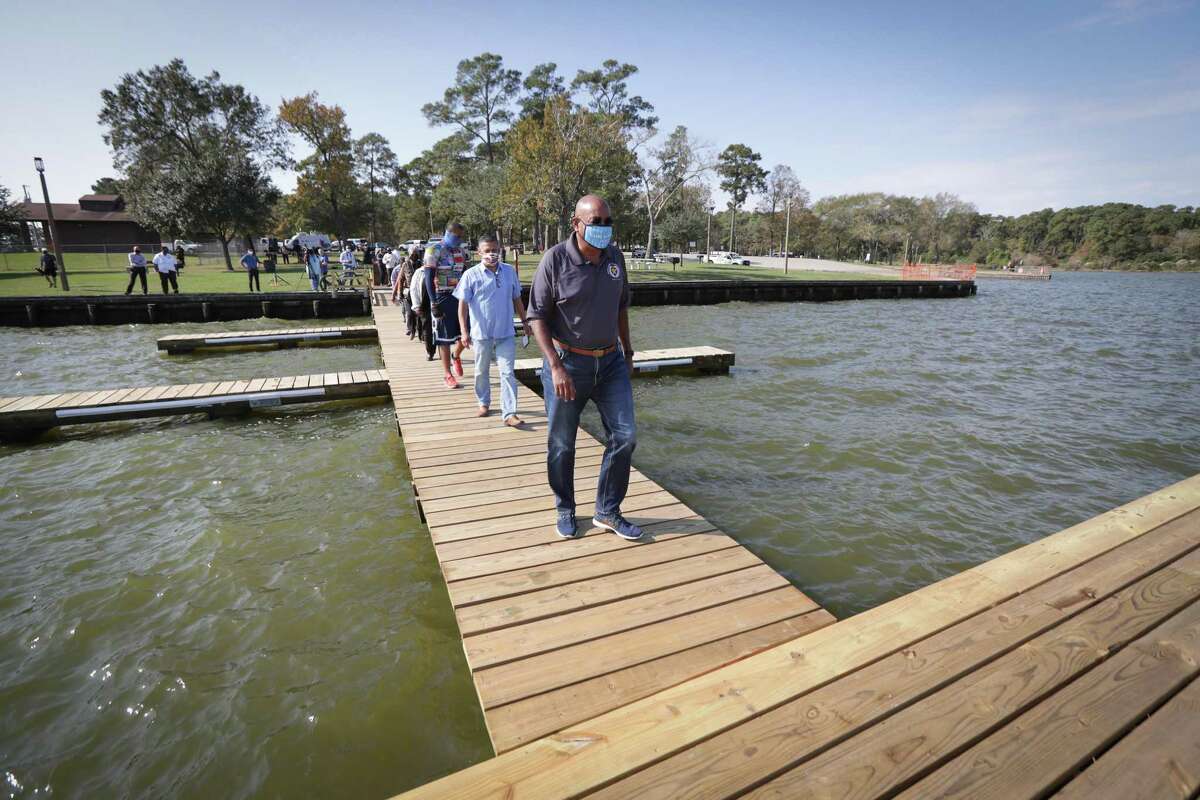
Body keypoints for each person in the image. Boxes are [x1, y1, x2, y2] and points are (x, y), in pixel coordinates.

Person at [526, 194, 641, 541]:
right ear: (576, 224)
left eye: (608, 222)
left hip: (610, 363)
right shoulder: (555, 260)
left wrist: (628, 352)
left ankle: (608, 510)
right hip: (567, 363)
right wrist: (555, 367)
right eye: (596, 223)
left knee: (626, 436)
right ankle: (565, 507)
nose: (604, 229)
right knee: (562, 443)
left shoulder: (615, 258)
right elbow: (536, 317)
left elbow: (621, 307)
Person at [456, 234, 528, 426]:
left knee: (507, 372)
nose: (491, 254)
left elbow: (517, 298)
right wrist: (464, 332)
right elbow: (462, 306)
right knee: (481, 371)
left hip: (506, 332)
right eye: (487, 251)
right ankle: (483, 402)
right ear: (479, 252)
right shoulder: (470, 275)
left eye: (494, 250)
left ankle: (509, 413)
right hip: (481, 333)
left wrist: (525, 322)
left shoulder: (509, 271)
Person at [424, 223, 469, 388]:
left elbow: (466, 272)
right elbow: (428, 278)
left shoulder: (461, 250)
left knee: (466, 333)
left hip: (460, 296)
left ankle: (456, 356)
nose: (459, 239)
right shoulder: (434, 250)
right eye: (456, 235)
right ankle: (447, 374)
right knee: (444, 337)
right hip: (441, 296)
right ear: (448, 233)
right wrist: (433, 302)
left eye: (461, 236)